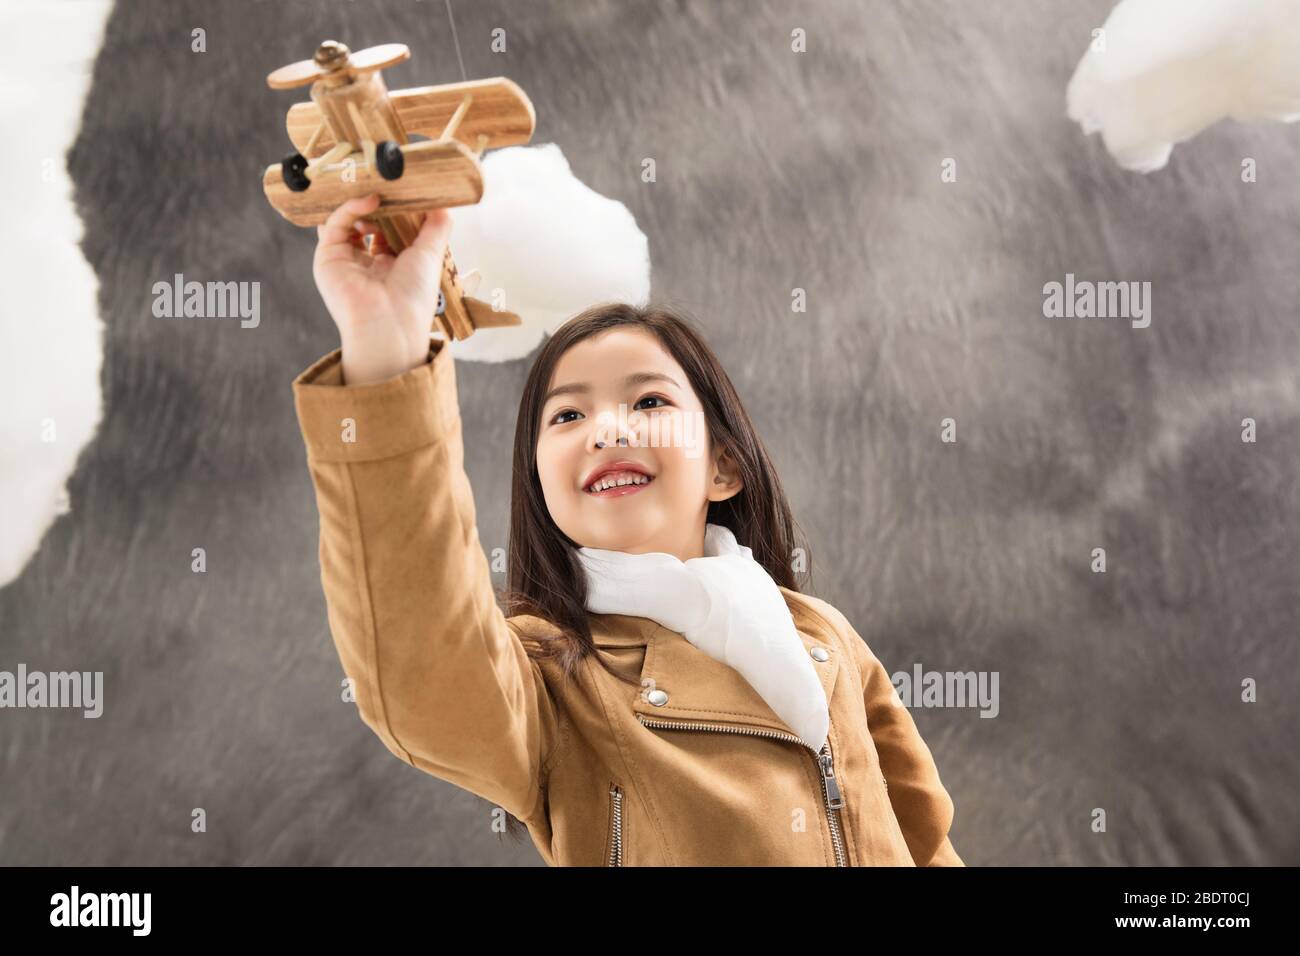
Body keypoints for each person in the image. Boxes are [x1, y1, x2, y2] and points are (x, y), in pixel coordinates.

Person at [291, 192, 965, 866]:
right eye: (567, 416)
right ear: (541, 484)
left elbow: (927, 844)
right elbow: (423, 656)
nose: (609, 429)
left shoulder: (824, 637)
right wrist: (385, 346)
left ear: (723, 467)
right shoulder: (548, 674)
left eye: (648, 401)